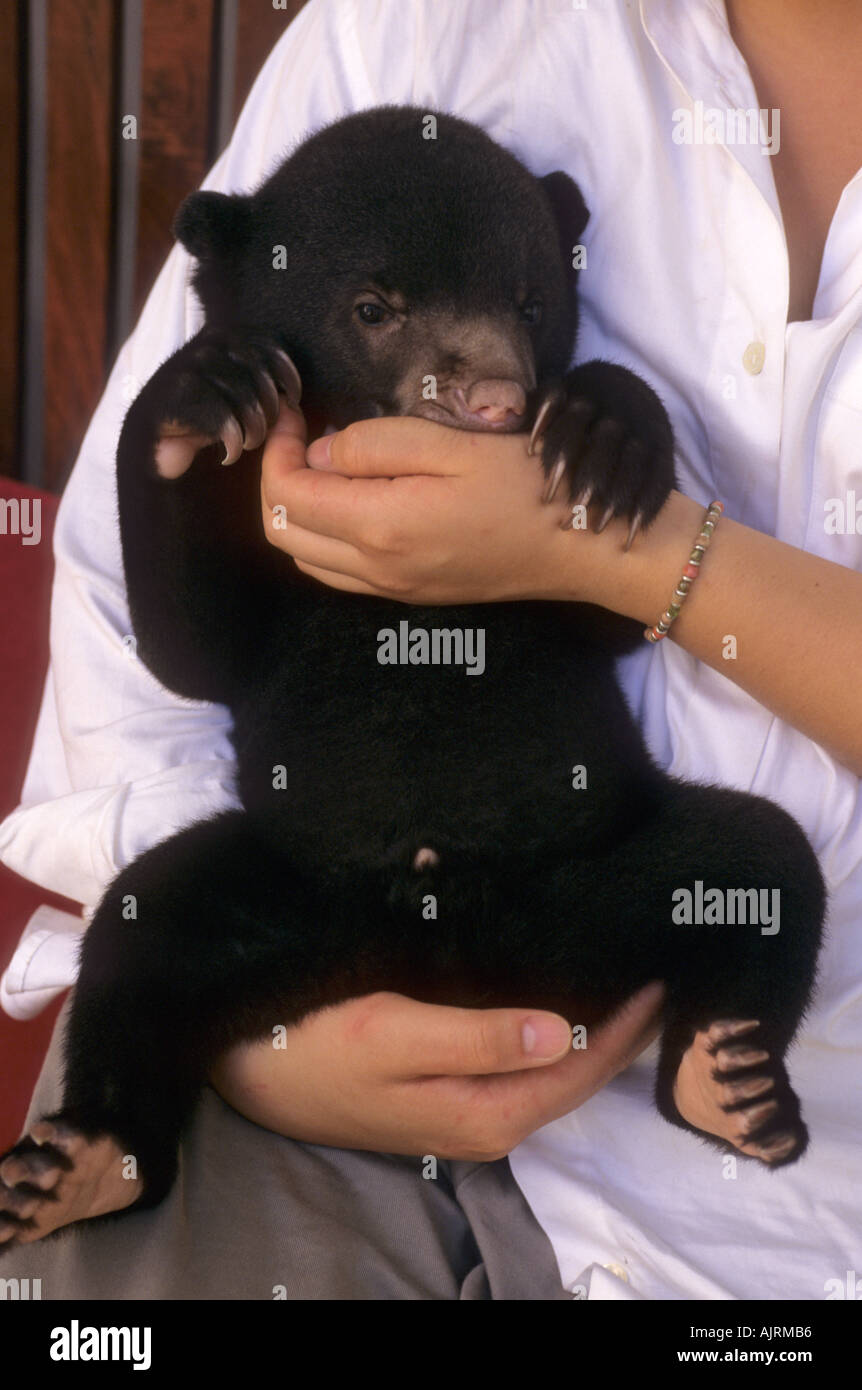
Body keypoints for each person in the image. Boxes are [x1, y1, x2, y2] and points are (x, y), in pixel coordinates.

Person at [1, 0, 860, 1299]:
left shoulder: (553, 424)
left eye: (520, 311)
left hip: (648, 997)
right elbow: (161, 652)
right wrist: (255, 1033)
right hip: (304, 955)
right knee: (146, 918)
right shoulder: (423, 28)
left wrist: (610, 531)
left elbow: (603, 566)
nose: (492, 373)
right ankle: (122, 1133)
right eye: (386, 313)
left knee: (747, 868)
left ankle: (711, 1049)